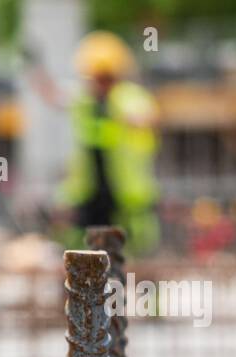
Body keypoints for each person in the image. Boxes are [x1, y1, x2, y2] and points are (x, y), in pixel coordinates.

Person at [47, 31, 160, 254]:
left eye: (105, 77)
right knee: (86, 252)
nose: (100, 83)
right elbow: (56, 97)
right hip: (90, 192)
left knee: (134, 252)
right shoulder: (84, 100)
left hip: (127, 195)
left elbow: (148, 115)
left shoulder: (129, 96)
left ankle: (138, 288)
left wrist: (135, 120)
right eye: (96, 77)